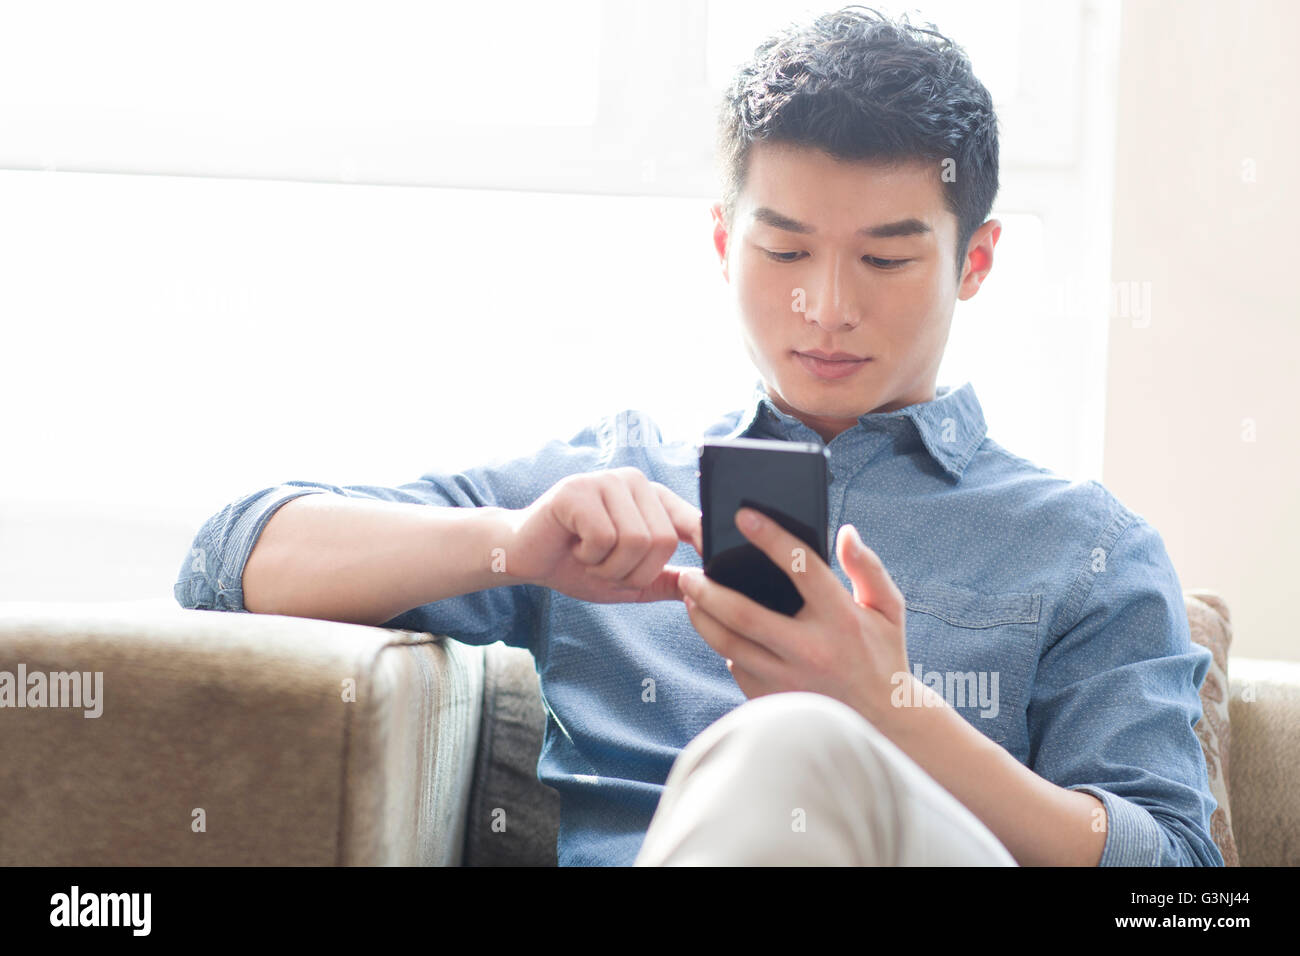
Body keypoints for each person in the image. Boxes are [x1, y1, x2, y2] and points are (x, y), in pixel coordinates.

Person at [174, 6, 1223, 867]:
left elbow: (1177, 881)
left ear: (975, 262)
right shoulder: (617, 482)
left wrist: (889, 708)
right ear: (724, 243)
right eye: (784, 250)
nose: (824, 308)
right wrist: (514, 543)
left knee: (797, 742)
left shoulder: (1082, 543)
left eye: (886, 262)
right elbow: (231, 556)